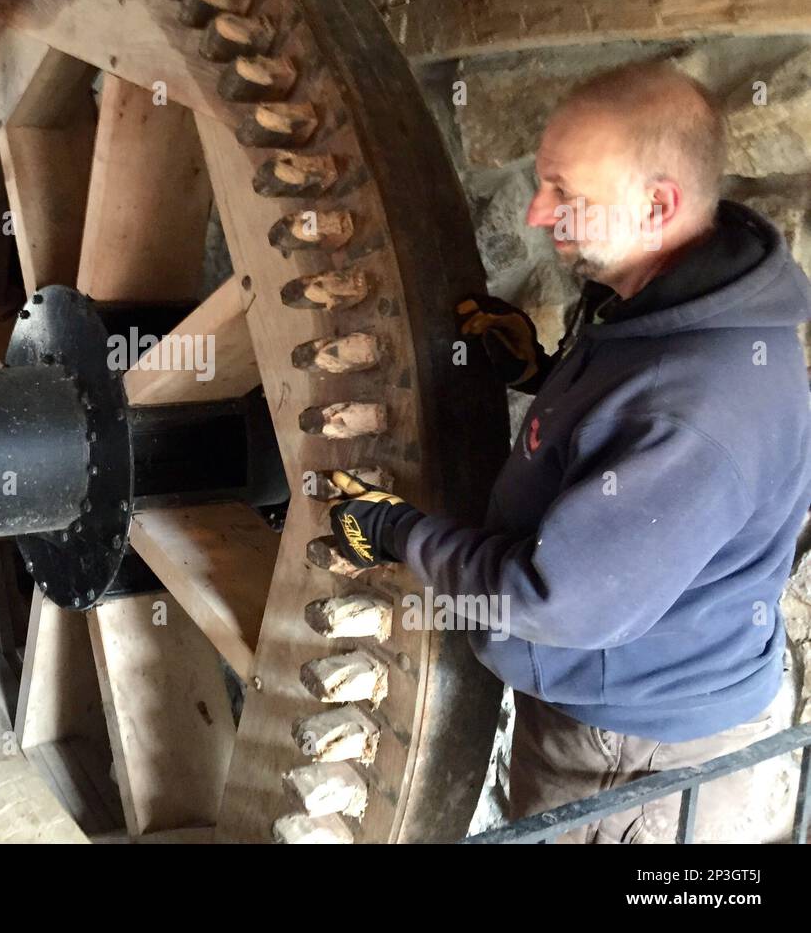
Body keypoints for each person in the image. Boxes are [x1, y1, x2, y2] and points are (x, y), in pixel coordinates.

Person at [330, 60, 811, 843]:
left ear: (658, 205)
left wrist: (396, 534)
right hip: (632, 705)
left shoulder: (694, 405)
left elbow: (553, 600)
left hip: (636, 763)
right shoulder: (672, 298)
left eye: (565, 194)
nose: (534, 212)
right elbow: (624, 437)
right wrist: (542, 372)